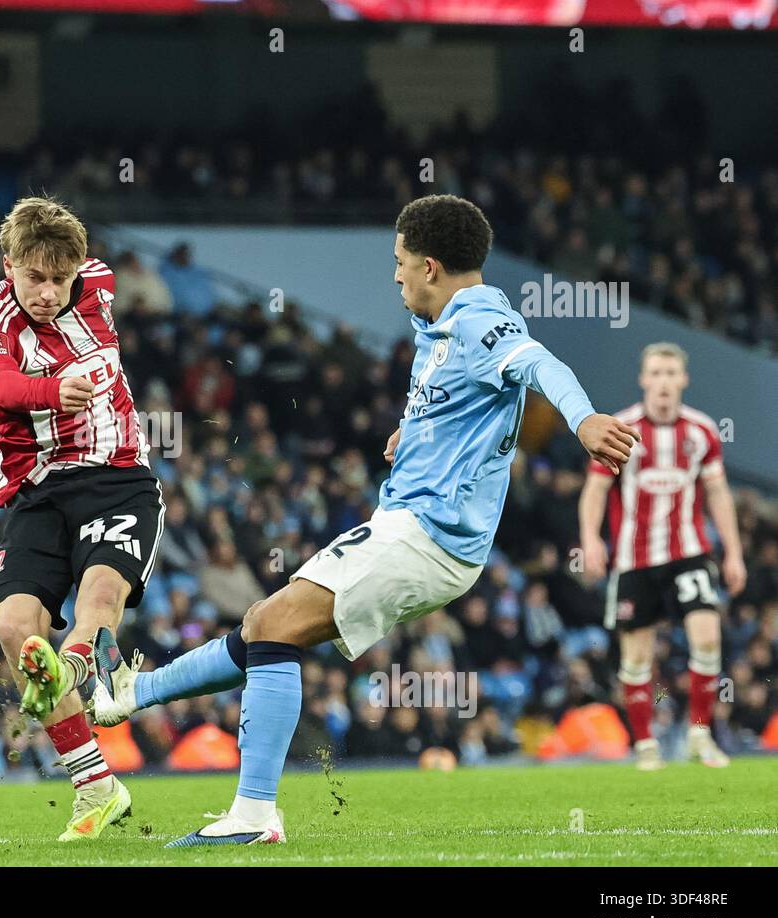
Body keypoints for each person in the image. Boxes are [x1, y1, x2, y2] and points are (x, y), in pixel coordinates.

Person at [87, 194, 639, 846]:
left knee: (272, 624)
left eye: (401, 263)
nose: (396, 275)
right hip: (411, 523)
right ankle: (130, 694)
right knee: (265, 626)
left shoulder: (481, 318)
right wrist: (416, 429)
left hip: (430, 534)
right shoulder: (438, 324)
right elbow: (465, 396)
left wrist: (585, 420)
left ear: (431, 265)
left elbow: (538, 362)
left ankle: (254, 814)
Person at [0, 196, 165, 841]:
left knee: (100, 594)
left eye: (60, 278)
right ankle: (96, 785)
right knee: (15, 627)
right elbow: (3, 388)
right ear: (9, 266)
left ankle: (78, 662)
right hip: (38, 495)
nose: (48, 293)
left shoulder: (100, 281)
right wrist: (56, 391)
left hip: (117, 481)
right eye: (34, 278)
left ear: (80, 268)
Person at [578, 342, 746, 770]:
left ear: (684, 380)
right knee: (636, 657)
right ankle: (646, 744)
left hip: (689, 552)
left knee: (707, 637)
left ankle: (700, 734)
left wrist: (734, 553)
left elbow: (717, 493)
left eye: (672, 373)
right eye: (656, 373)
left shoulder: (702, 431)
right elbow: (596, 489)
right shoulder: (622, 427)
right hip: (635, 559)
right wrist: (590, 539)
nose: (664, 382)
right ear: (644, 379)